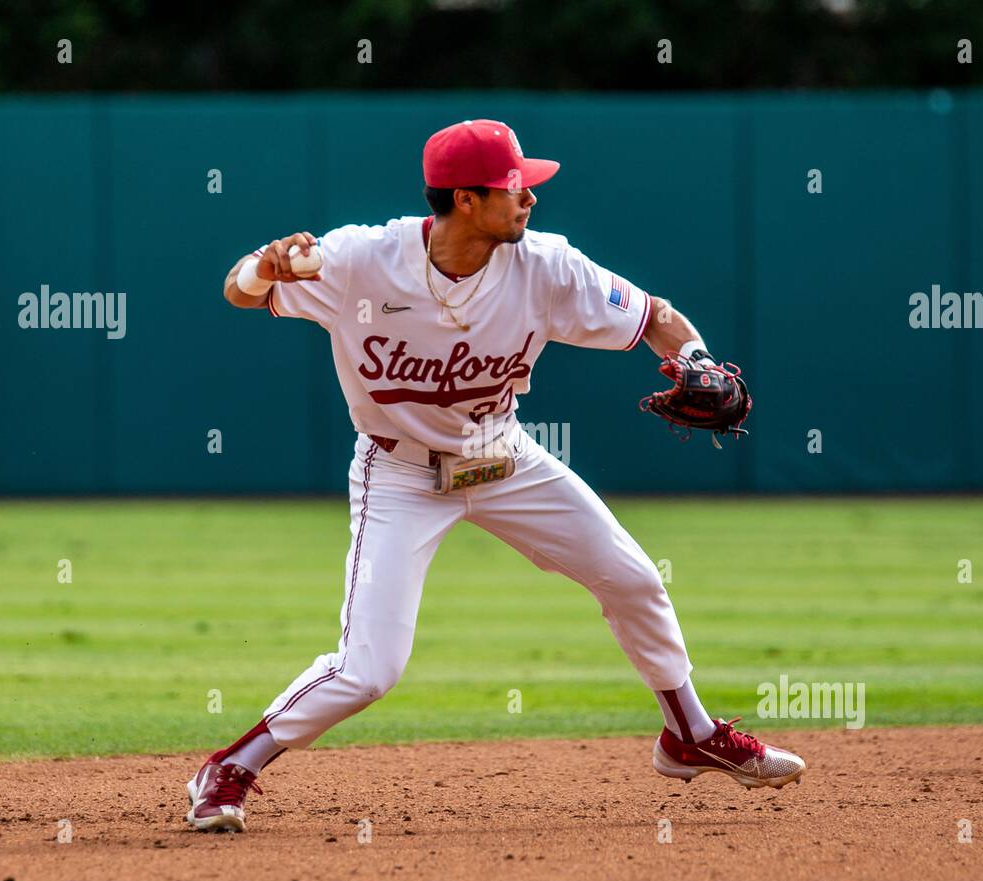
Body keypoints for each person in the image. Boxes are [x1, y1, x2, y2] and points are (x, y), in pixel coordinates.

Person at [188, 119, 804, 832]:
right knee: (370, 669)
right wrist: (265, 267)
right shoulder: (362, 259)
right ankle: (230, 766)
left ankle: (689, 735)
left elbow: (655, 317)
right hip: (399, 474)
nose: (530, 200)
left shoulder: (546, 266)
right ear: (465, 200)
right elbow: (239, 290)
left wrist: (697, 358)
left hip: (505, 458)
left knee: (633, 578)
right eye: (515, 188)